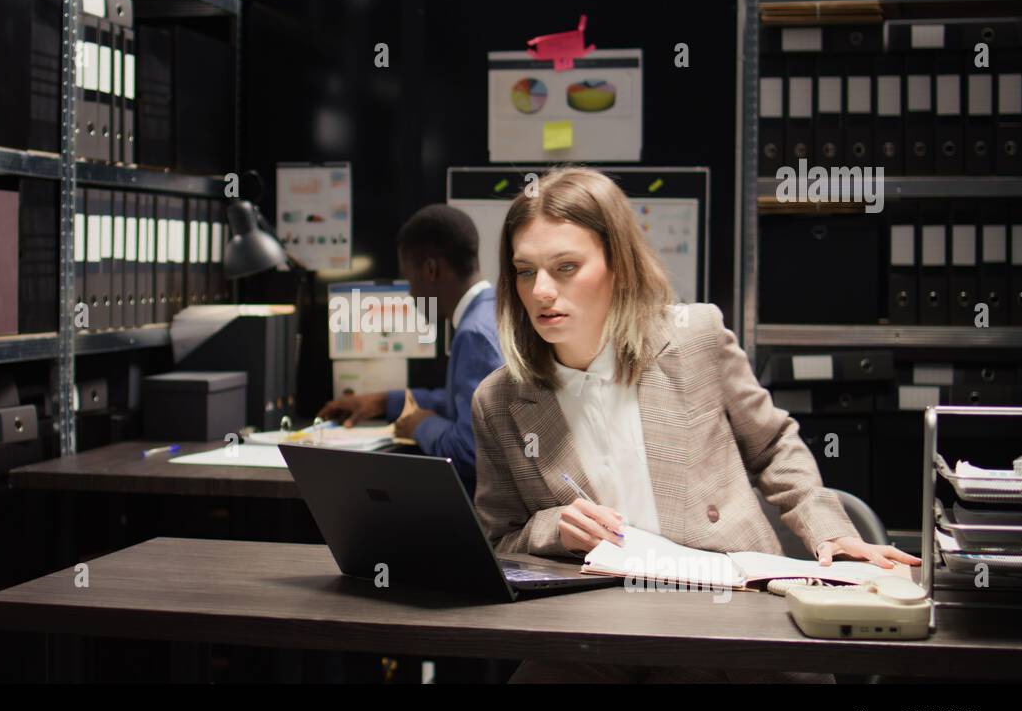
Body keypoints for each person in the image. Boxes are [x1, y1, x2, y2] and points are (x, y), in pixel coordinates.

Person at [471, 167, 920, 683]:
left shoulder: (695, 338)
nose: (542, 291)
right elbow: (499, 543)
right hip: (591, 630)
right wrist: (552, 528)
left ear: (618, 266)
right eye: (525, 271)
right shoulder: (499, 399)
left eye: (566, 266)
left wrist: (829, 530)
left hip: (722, 612)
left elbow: (774, 447)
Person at [318, 204, 502, 489]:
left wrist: (420, 426)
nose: (411, 294)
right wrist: (382, 401)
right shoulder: (491, 312)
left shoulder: (474, 333)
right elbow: (464, 403)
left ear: (431, 270)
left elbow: (471, 452)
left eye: (408, 280)